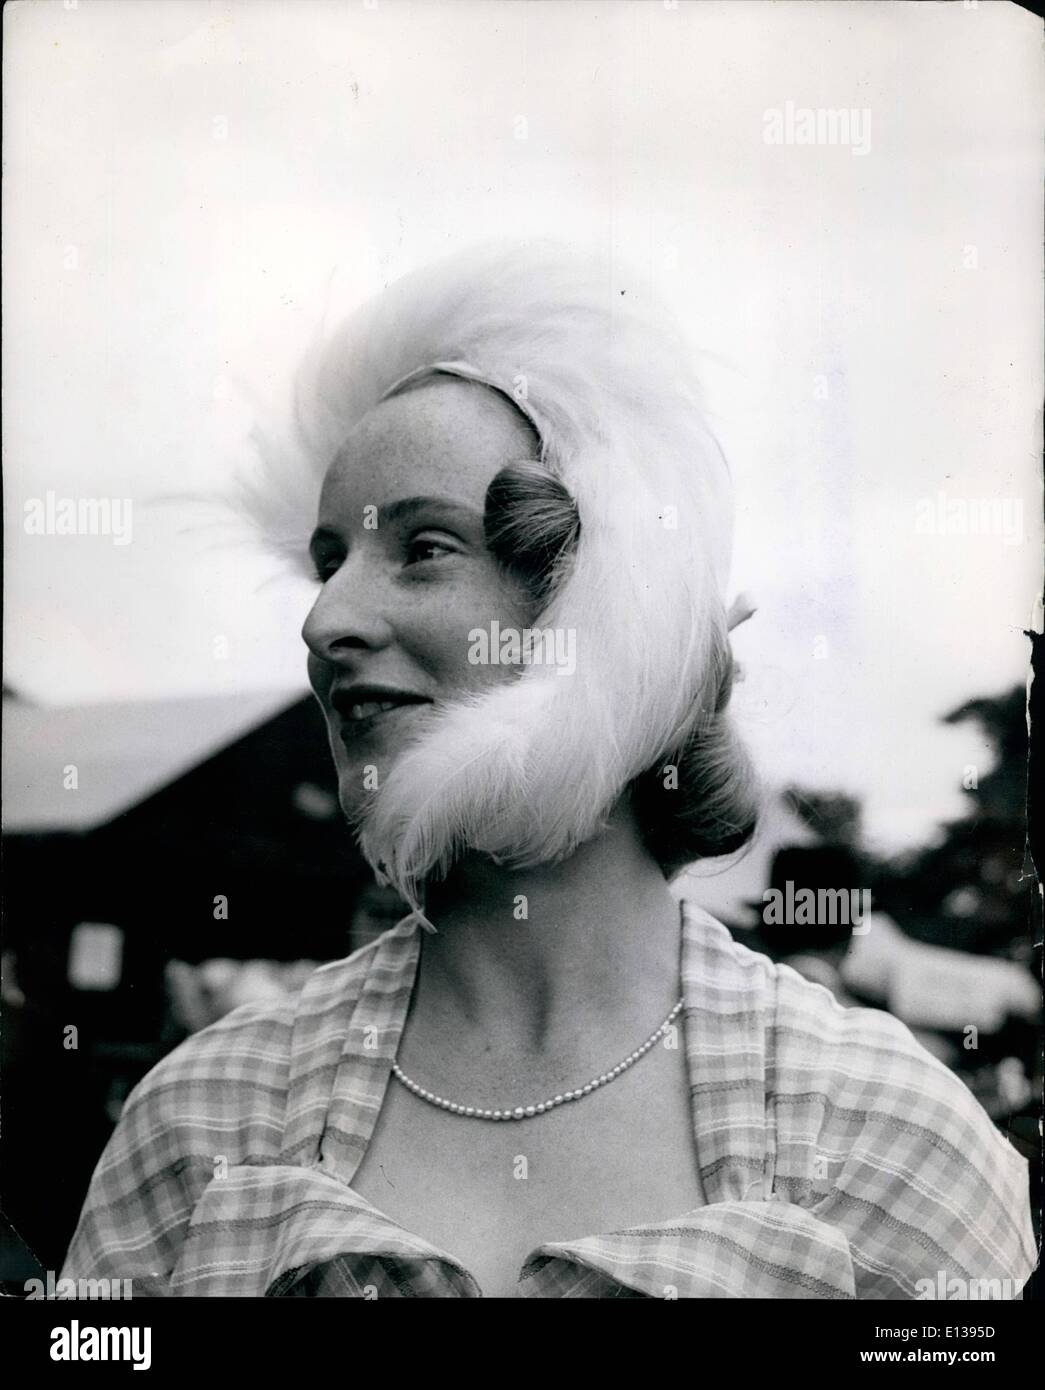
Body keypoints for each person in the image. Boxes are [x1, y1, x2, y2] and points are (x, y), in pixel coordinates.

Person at [62, 243, 1036, 1298]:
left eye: (423, 547)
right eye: (329, 557)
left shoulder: (884, 1140)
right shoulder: (201, 1121)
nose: (325, 616)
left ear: (599, 606)